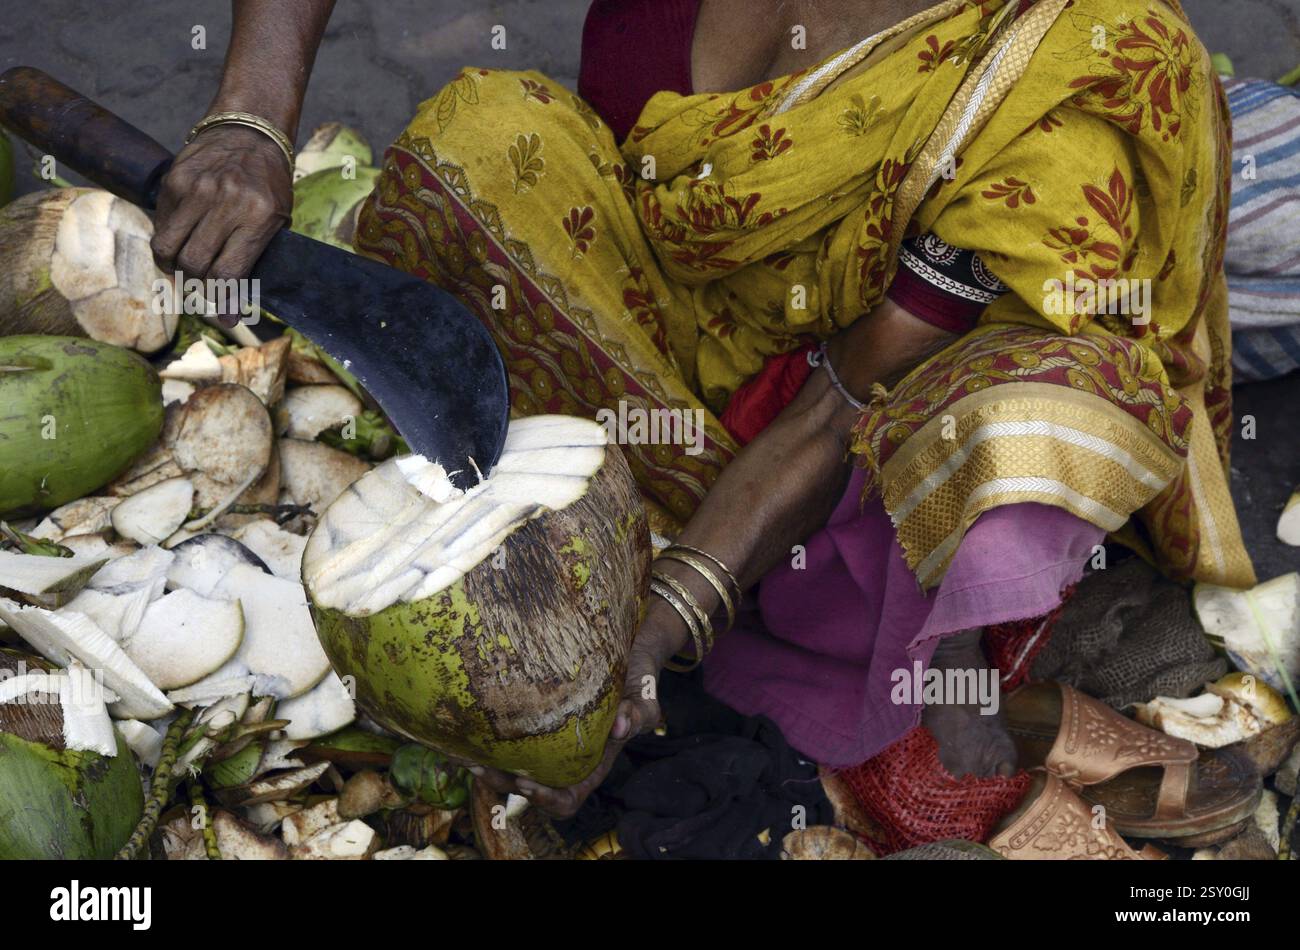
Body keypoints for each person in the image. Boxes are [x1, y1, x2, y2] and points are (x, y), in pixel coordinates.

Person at [158, 0, 1259, 854]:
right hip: (689, 319)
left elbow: (836, 401)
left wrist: (647, 632)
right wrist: (252, 120)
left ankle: (936, 660)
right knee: (481, 146)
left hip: (889, 392)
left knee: (1020, 425)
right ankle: (666, 559)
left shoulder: (1036, 71)